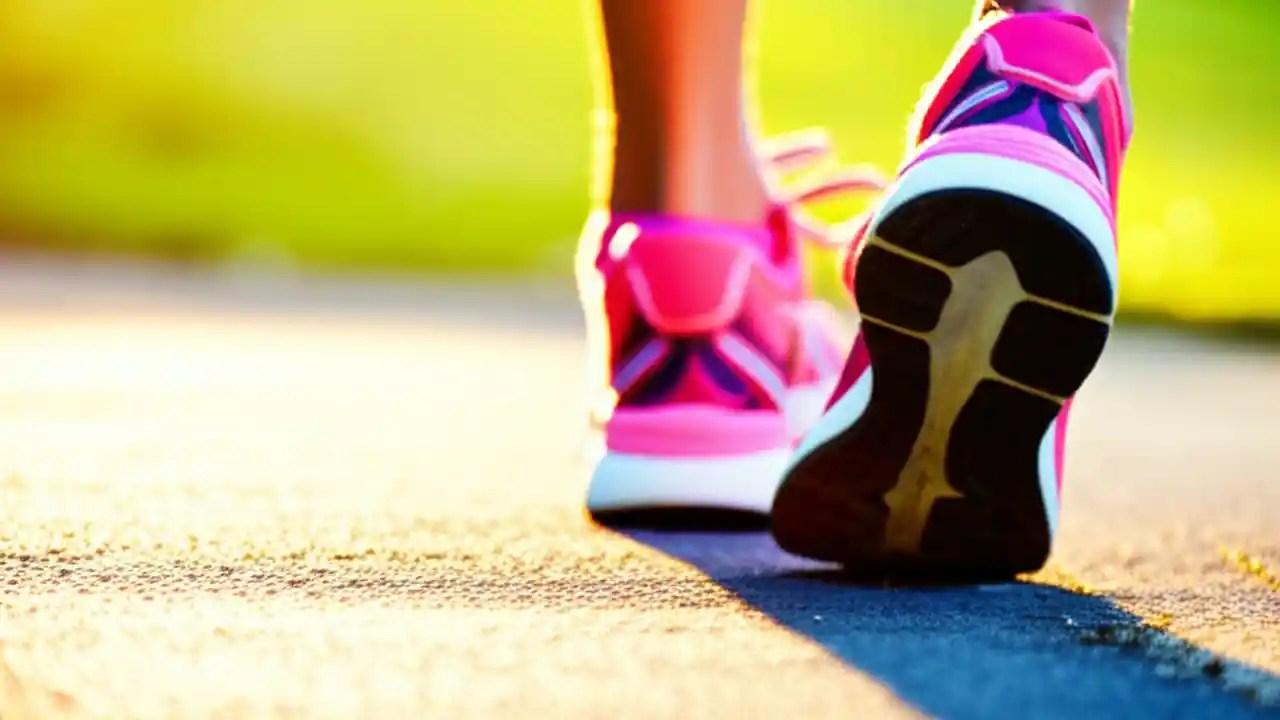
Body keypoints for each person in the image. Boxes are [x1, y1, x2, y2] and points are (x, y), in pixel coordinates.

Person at [578, 0, 1132, 578]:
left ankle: (689, 293)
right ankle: (1051, 88)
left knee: (687, 195)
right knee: (1054, 21)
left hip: (658, 350)